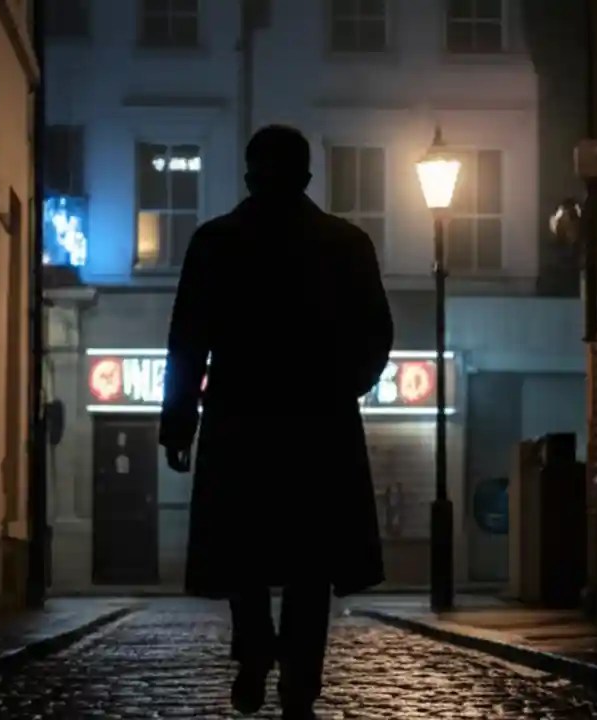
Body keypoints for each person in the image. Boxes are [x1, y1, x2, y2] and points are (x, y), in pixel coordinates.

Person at [159, 124, 394, 719]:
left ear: (248, 173)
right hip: (319, 424)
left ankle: (256, 647)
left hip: (241, 419)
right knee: (310, 563)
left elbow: (188, 341)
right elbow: (377, 334)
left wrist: (179, 420)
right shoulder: (346, 243)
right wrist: (346, 386)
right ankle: (299, 686)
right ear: (307, 176)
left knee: (243, 552)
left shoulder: (216, 242)